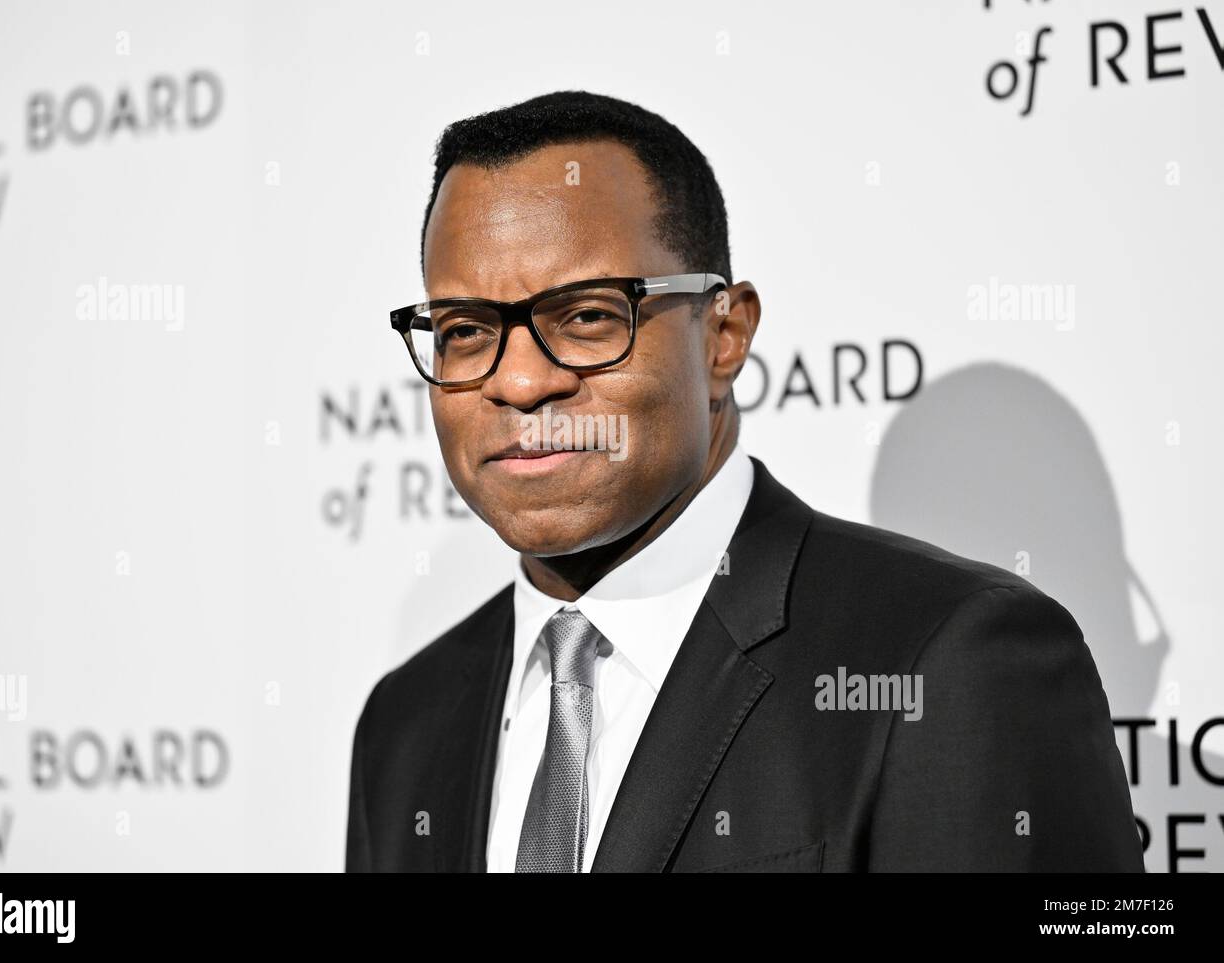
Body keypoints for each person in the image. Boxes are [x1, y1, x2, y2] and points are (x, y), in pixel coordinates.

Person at [344, 90, 1144, 873]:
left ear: (724, 335)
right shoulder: (406, 722)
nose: (518, 382)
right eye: (466, 330)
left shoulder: (947, 664)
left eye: (586, 315)